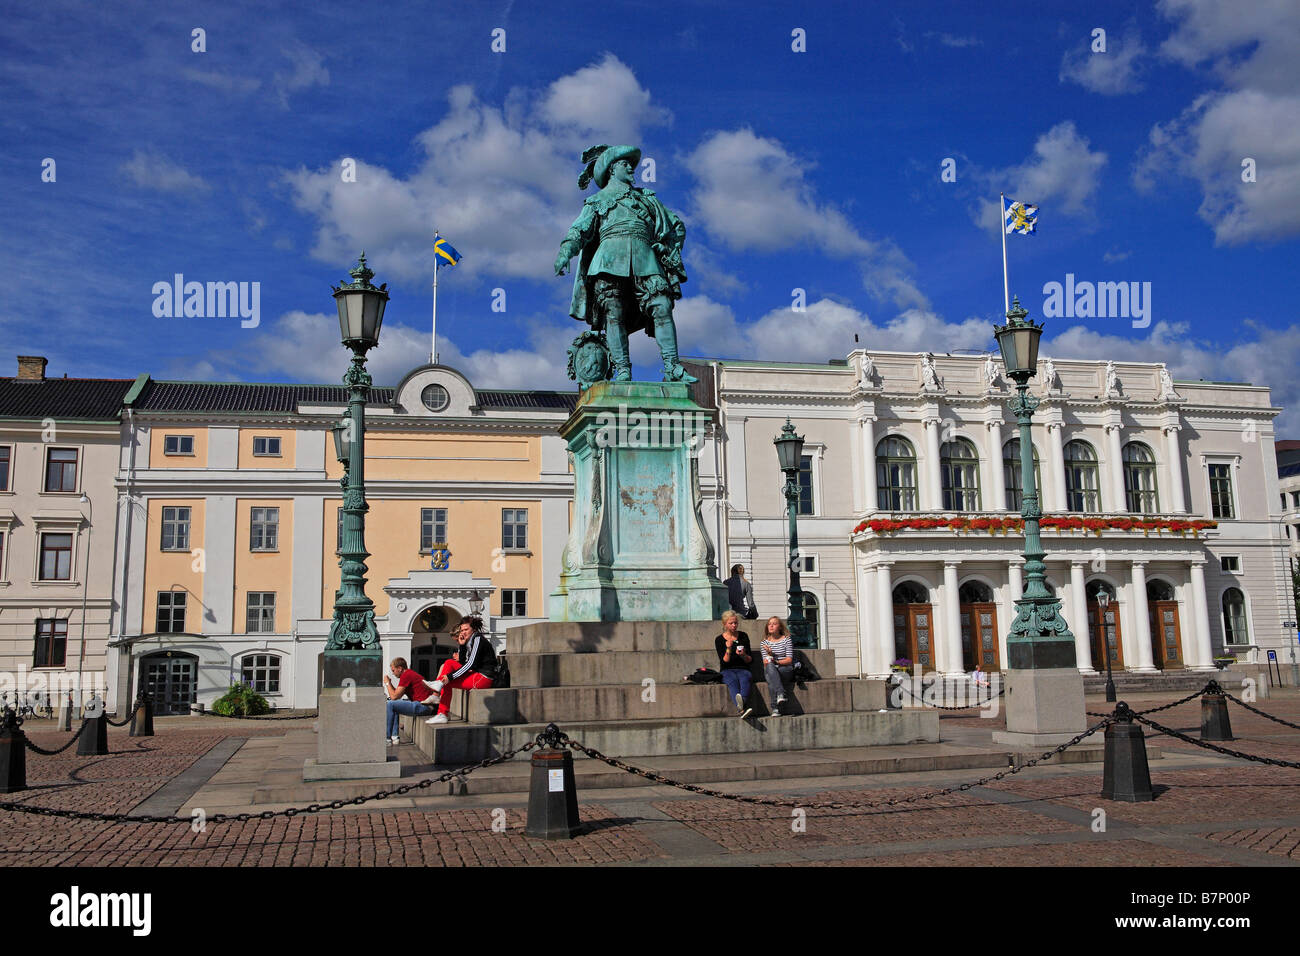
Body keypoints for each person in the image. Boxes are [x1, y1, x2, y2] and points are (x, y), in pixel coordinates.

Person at [555, 143, 696, 384]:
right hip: (609, 260)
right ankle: (622, 370)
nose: (631, 168)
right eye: (624, 164)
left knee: (662, 306)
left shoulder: (647, 199)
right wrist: (565, 252)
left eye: (631, 164)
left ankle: (672, 366)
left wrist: (667, 247)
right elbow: (579, 230)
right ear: (611, 169)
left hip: (646, 259)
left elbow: (675, 226)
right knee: (614, 313)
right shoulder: (597, 201)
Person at [423, 616, 498, 724]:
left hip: (483, 678)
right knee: (448, 663)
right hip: (476, 674)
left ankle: (441, 710)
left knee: (447, 681)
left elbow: (470, 664)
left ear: (474, 629)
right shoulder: (470, 641)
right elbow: (463, 662)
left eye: (466, 629)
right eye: (462, 630)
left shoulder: (477, 639)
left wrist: (450, 676)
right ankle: (439, 698)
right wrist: (462, 646)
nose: (463, 632)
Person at [383, 657, 435, 745]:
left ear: (400, 668)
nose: (393, 673)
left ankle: (387, 738)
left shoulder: (406, 675)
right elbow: (396, 695)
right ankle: (394, 737)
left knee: (391, 704)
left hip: (424, 706)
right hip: (423, 705)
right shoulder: (408, 674)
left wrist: (387, 683)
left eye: (393, 670)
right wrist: (390, 684)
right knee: (393, 705)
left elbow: (394, 697)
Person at [715, 610, 754, 718]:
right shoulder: (719, 639)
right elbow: (724, 661)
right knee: (732, 680)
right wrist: (728, 648)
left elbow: (750, 660)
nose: (734, 625)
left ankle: (741, 708)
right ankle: (742, 708)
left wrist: (743, 655)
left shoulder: (743, 636)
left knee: (745, 677)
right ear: (724, 624)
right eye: (731, 623)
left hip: (743, 668)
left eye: (735, 623)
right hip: (727, 669)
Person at [760, 616, 795, 716]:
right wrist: (770, 654)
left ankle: (775, 708)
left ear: (780, 627)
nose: (771, 626)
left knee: (771, 677)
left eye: (774, 624)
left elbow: (789, 660)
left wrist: (776, 661)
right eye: (769, 624)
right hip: (771, 668)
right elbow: (765, 662)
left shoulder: (786, 640)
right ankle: (780, 694)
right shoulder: (764, 642)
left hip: (785, 669)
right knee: (770, 668)